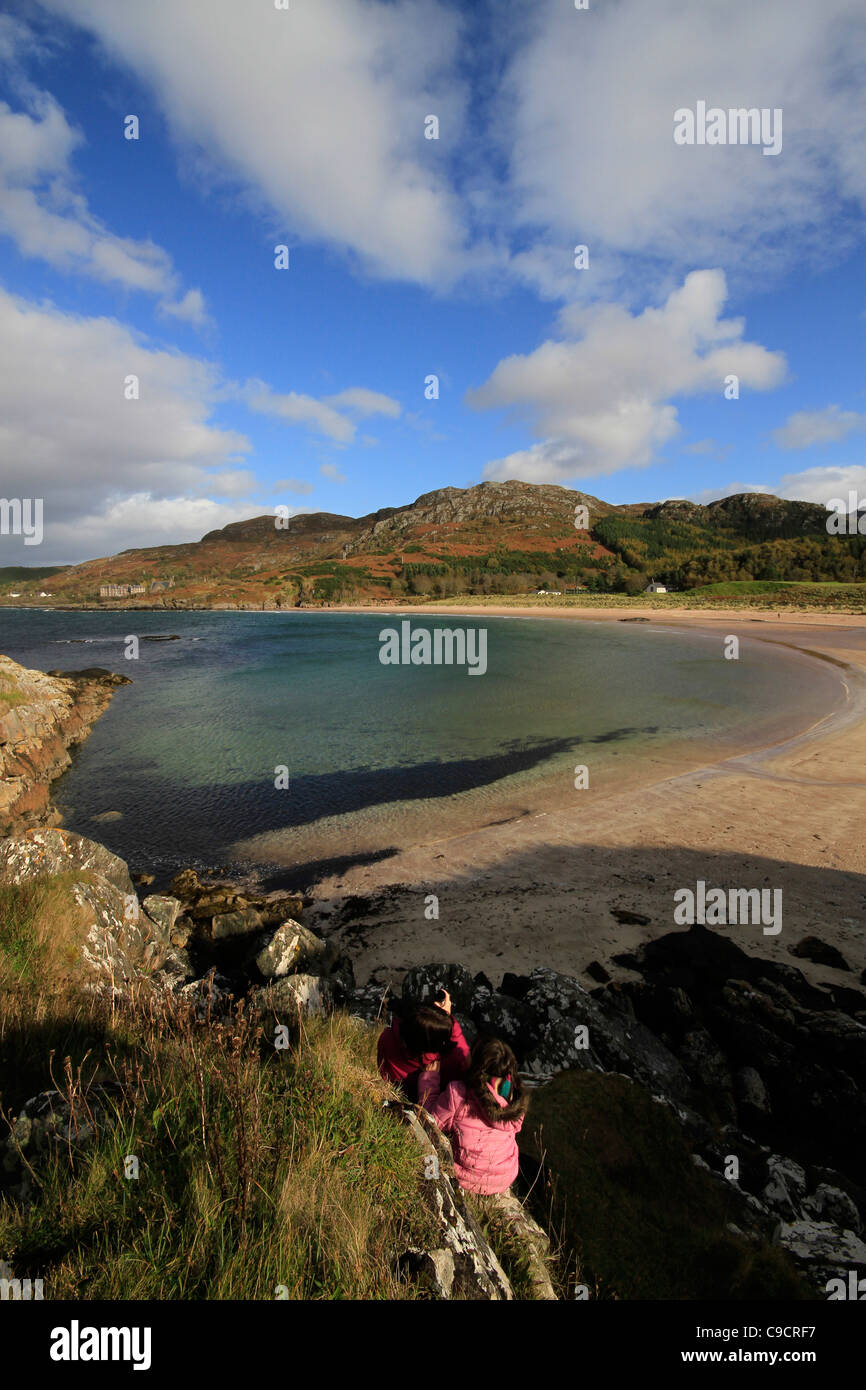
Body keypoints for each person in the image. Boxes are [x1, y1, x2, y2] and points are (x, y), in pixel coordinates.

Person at [419, 1035, 528, 1195]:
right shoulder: (513, 1097)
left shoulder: (458, 1094)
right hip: (503, 1178)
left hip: (467, 1180)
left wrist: (429, 1079)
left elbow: (429, 1121)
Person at [377, 988, 469, 1103]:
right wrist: (448, 1020)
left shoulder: (387, 1039)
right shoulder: (449, 1059)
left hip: (406, 1099)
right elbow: (465, 1061)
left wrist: (436, 1018)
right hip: (437, 1107)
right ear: (435, 1044)